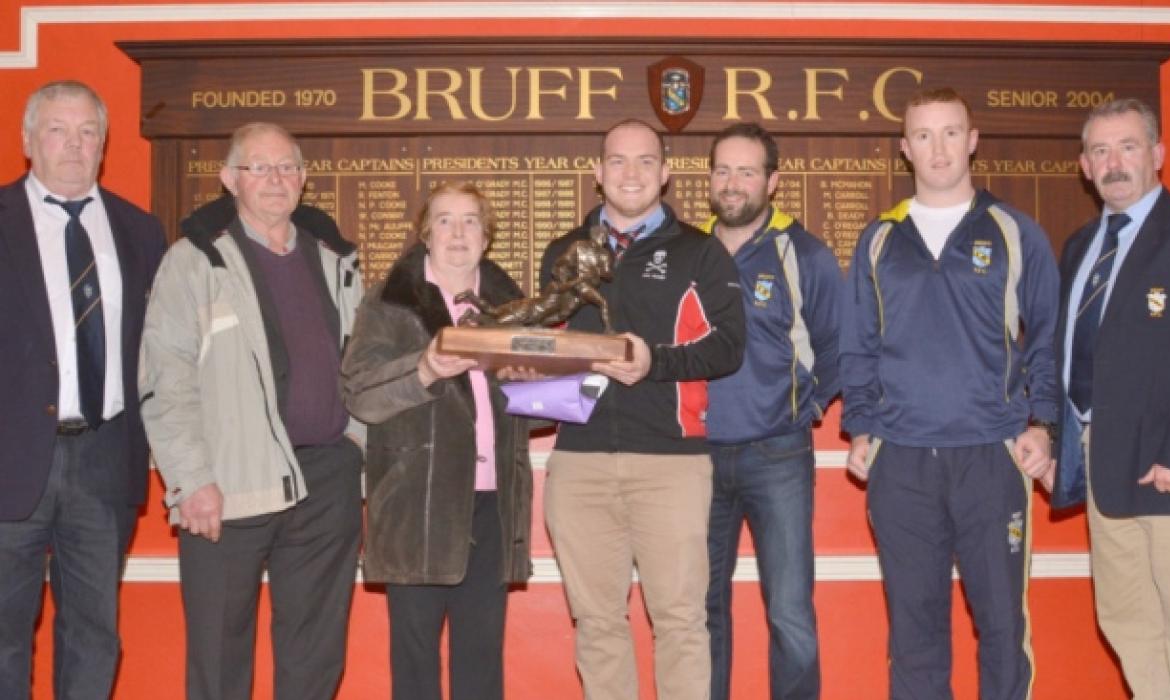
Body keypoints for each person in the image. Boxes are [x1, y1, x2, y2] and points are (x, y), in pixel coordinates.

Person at [839, 88, 1058, 700]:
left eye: (952, 132)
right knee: (914, 634)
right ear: (905, 148)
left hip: (993, 455)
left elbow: (1048, 338)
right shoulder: (879, 240)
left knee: (1002, 627)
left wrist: (1043, 424)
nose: (939, 148)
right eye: (925, 136)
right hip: (901, 459)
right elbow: (858, 346)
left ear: (973, 140)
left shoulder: (1016, 232)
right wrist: (861, 426)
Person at [139, 122, 364, 700]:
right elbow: (168, 379)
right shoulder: (192, 261)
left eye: (287, 167)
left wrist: (356, 448)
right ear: (229, 179)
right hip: (227, 484)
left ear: (304, 179)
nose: (274, 179)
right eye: (258, 167)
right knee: (219, 657)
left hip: (326, 483)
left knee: (315, 656)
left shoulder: (336, 258)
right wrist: (190, 480)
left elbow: (363, 361)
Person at [539, 118, 745, 700]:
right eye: (618, 161)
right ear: (597, 173)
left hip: (671, 464)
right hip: (579, 464)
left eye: (646, 161)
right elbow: (542, 347)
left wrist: (653, 361)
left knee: (680, 620)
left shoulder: (700, 252)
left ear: (667, 172)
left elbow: (729, 346)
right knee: (598, 623)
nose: (631, 173)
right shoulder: (563, 252)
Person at [0, 80, 166, 699]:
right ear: (27, 141)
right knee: (4, 637)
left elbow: (157, 352)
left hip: (105, 459)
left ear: (103, 143)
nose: (73, 146)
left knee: (94, 635)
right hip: (12, 462)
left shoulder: (140, 230)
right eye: (57, 131)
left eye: (87, 132)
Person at [340, 181, 533, 700]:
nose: (457, 232)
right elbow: (360, 394)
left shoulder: (510, 307)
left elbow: (533, 417)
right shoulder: (388, 302)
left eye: (471, 220)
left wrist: (531, 386)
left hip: (493, 508)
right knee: (416, 665)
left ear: (486, 236)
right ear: (425, 232)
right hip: (415, 509)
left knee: (480, 664)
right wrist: (423, 368)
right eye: (445, 219)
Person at [1052, 97, 1170, 698]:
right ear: (1084, 166)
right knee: (1128, 623)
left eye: (1129, 146)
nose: (1114, 162)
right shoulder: (1080, 245)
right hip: (1103, 466)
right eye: (1100, 150)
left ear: (1158, 154)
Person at [700, 123, 841, 700]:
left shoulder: (803, 253)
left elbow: (836, 348)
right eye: (723, 171)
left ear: (773, 181)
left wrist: (799, 408)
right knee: (701, 608)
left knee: (789, 613)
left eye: (747, 172)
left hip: (777, 455)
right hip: (697, 458)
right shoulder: (690, 253)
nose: (733, 184)